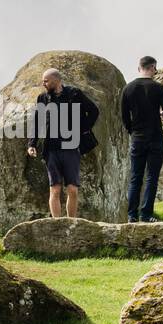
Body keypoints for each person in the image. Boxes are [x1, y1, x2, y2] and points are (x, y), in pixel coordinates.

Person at [26, 68, 99, 218]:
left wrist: (82, 129)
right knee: (55, 189)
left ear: (56, 80)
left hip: (71, 147)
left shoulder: (74, 94)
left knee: (72, 189)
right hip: (51, 150)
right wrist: (31, 144)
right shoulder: (42, 98)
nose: (43, 83)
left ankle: (71, 223)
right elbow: (38, 121)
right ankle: (57, 225)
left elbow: (93, 111)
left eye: (46, 81)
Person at [121, 55, 163, 222]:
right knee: (152, 177)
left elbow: (124, 117)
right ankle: (146, 214)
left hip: (138, 137)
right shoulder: (158, 88)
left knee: (135, 177)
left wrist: (132, 131)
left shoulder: (128, 89)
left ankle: (131, 215)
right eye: (155, 69)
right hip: (156, 137)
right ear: (152, 67)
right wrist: (161, 114)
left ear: (139, 68)